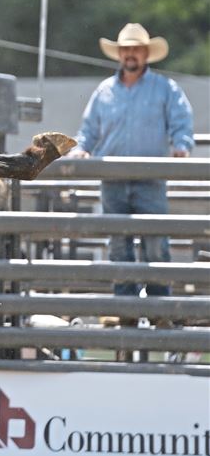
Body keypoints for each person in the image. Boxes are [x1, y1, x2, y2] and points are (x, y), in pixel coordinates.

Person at [69, 23, 194, 302]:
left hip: (150, 179)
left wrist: (181, 145)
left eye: (135, 49)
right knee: (118, 247)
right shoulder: (104, 92)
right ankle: (126, 312)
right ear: (119, 54)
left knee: (156, 247)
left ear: (146, 53)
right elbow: (88, 131)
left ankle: (160, 309)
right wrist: (82, 150)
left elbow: (181, 121)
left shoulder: (165, 89)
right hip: (113, 179)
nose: (130, 54)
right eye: (126, 49)